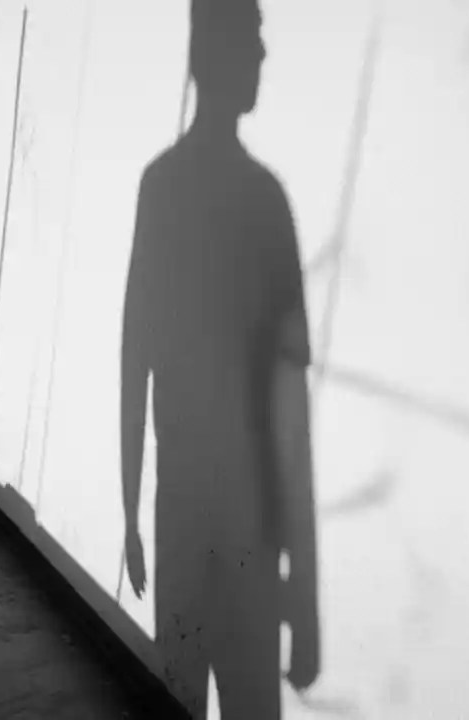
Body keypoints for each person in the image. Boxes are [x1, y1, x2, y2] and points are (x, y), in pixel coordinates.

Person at [120, 1, 319, 717]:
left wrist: (129, 511)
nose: (264, 58)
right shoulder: (266, 204)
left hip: (183, 513)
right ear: (217, 56)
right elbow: (289, 407)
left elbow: (132, 356)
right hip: (246, 530)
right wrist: (307, 590)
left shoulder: (162, 187)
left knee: (181, 694)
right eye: (255, 43)